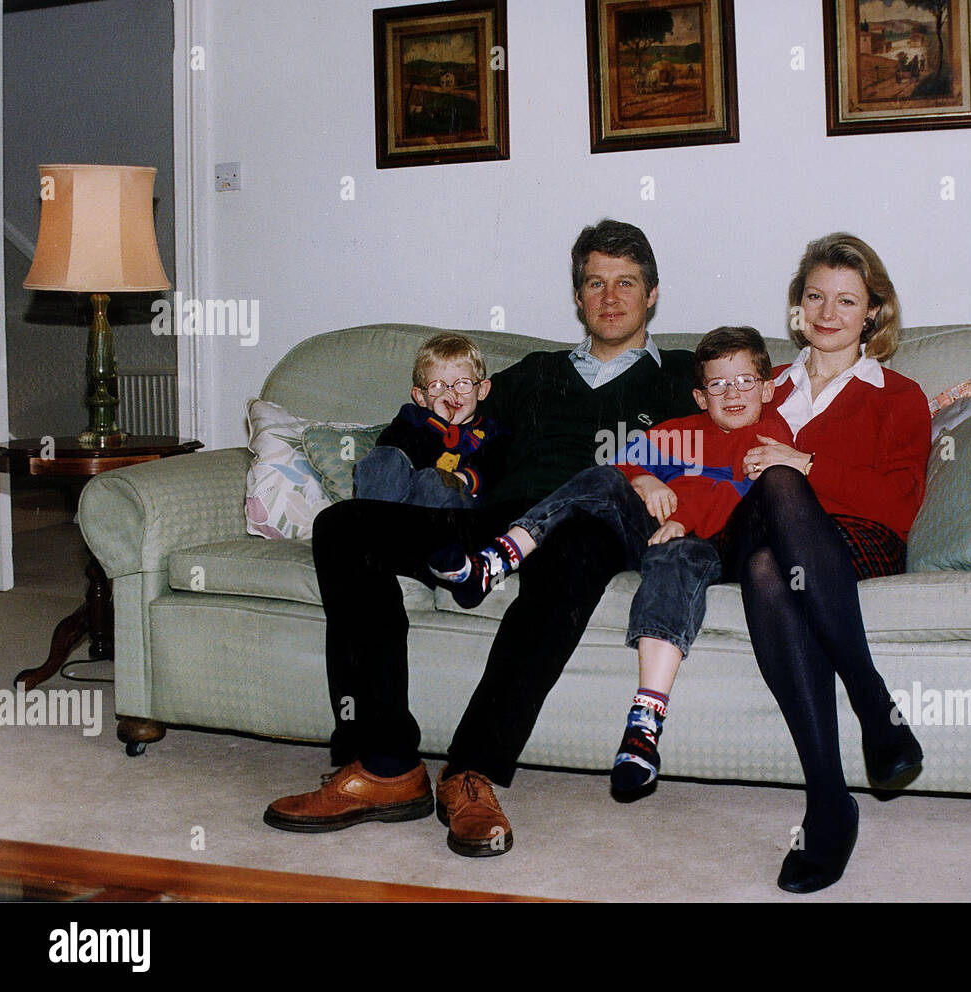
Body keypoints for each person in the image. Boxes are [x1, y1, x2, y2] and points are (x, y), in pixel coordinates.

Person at [263, 219, 699, 856]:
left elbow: (742, 429)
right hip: (499, 519)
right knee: (343, 528)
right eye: (595, 283)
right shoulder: (531, 374)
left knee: (575, 545)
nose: (610, 297)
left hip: (598, 526)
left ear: (653, 294)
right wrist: (398, 449)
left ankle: (471, 771)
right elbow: (443, 429)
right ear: (577, 297)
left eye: (626, 283)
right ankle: (387, 765)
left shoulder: (683, 377)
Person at [430, 327, 792, 795]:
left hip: (710, 544)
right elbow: (623, 464)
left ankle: (644, 728)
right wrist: (645, 482)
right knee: (599, 476)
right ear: (701, 397)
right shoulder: (682, 430)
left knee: (675, 560)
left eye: (745, 382)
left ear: (767, 387)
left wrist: (685, 520)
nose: (733, 394)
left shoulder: (772, 434)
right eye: (719, 385)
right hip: (648, 526)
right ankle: (499, 558)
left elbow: (741, 492)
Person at [718, 232, 931, 894]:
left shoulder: (898, 396)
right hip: (749, 523)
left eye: (847, 299)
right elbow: (715, 469)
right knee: (772, 495)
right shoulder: (760, 387)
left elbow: (897, 503)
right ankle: (874, 705)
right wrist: (766, 467)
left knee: (766, 570)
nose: (828, 312)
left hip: (852, 543)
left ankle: (828, 803)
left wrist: (805, 465)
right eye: (815, 296)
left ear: (874, 312)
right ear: (796, 307)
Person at [353, 332, 504, 508]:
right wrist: (438, 421)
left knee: (433, 481)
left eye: (462, 383)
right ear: (420, 397)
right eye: (438, 386)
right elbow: (389, 453)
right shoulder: (412, 418)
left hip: (450, 511)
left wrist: (463, 479)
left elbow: (497, 465)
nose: (451, 393)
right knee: (384, 457)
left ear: (482, 390)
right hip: (400, 504)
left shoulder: (490, 430)